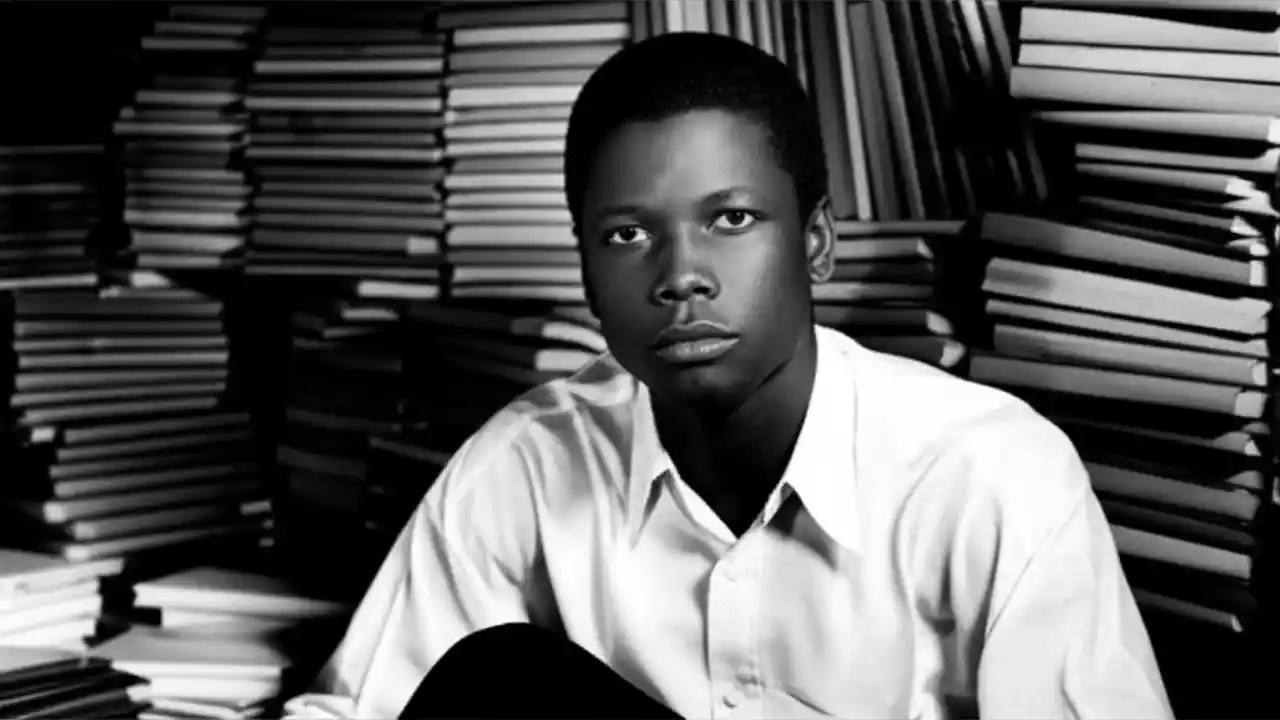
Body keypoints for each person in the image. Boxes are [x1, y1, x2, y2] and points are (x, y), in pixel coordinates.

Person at [282, 32, 1172, 720]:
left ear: (816, 242)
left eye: (733, 219)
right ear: (587, 275)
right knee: (496, 681)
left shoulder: (988, 475)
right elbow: (364, 706)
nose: (681, 275)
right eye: (628, 235)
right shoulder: (528, 459)